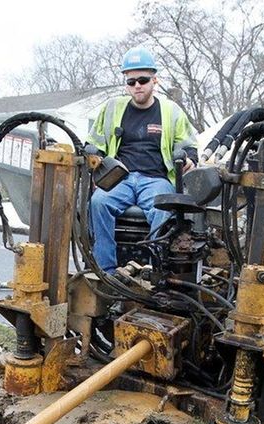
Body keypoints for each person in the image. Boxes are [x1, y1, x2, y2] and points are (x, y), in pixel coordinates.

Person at [88, 47, 198, 273]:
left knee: (163, 209)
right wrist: (94, 155)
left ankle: (154, 269)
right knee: (99, 203)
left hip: (155, 179)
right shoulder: (112, 109)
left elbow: (188, 145)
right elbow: (95, 142)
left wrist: (190, 158)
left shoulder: (171, 111)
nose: (137, 85)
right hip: (121, 177)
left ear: (154, 80)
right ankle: (106, 271)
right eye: (131, 81)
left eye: (143, 79)